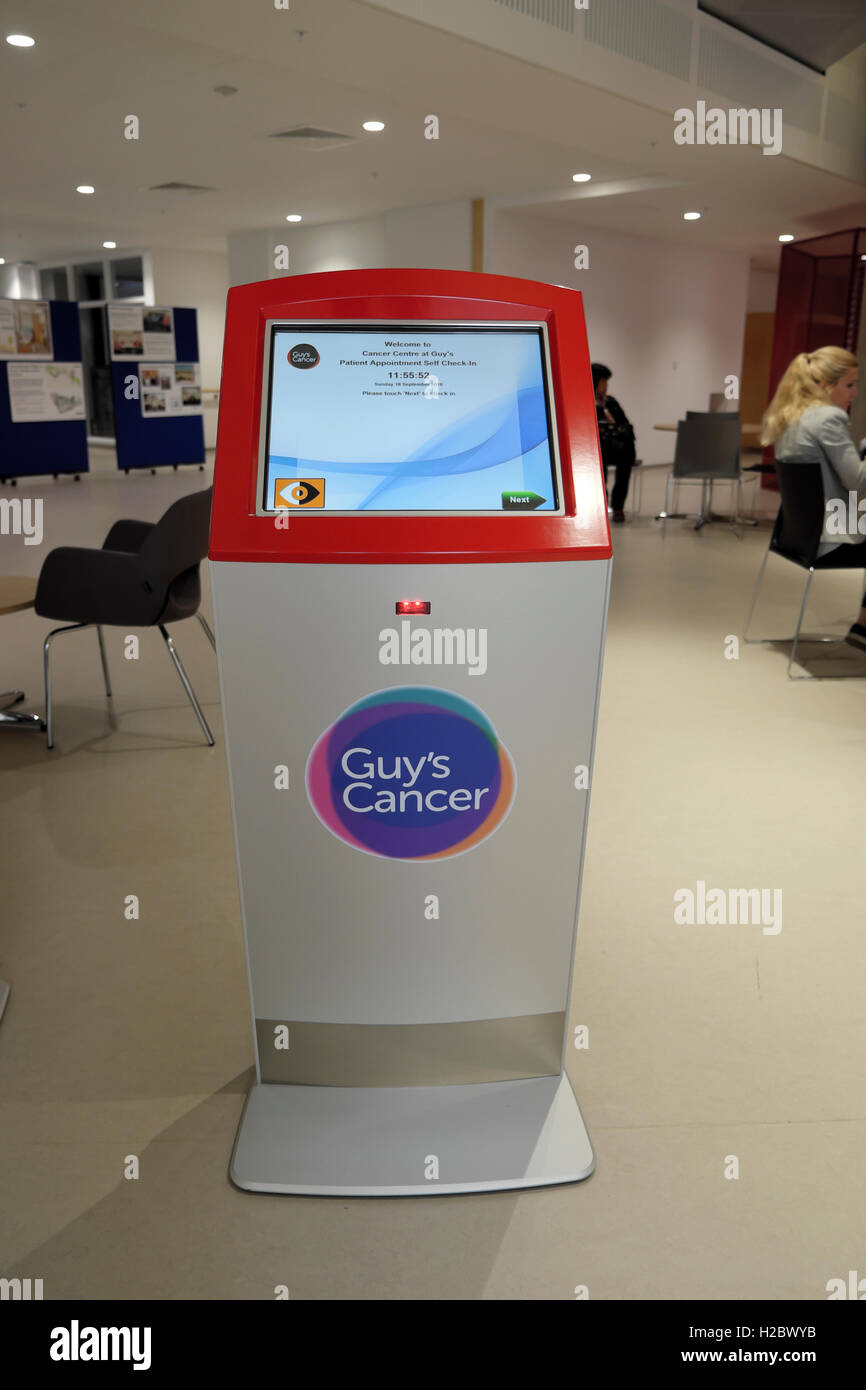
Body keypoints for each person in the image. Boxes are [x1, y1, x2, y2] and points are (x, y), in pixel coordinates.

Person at [761, 345, 866, 650]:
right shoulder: (828, 418)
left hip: (795, 538)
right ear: (825, 385)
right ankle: (863, 623)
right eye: (850, 384)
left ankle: (863, 624)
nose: (855, 393)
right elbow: (857, 480)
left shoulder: (792, 418)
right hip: (827, 542)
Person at [592, 363, 635, 523]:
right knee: (598, 464)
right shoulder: (585, 401)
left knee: (627, 457)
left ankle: (618, 507)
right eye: (604, 382)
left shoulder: (611, 402)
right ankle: (601, 505)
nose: (606, 386)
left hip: (617, 449)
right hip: (597, 450)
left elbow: (624, 423)